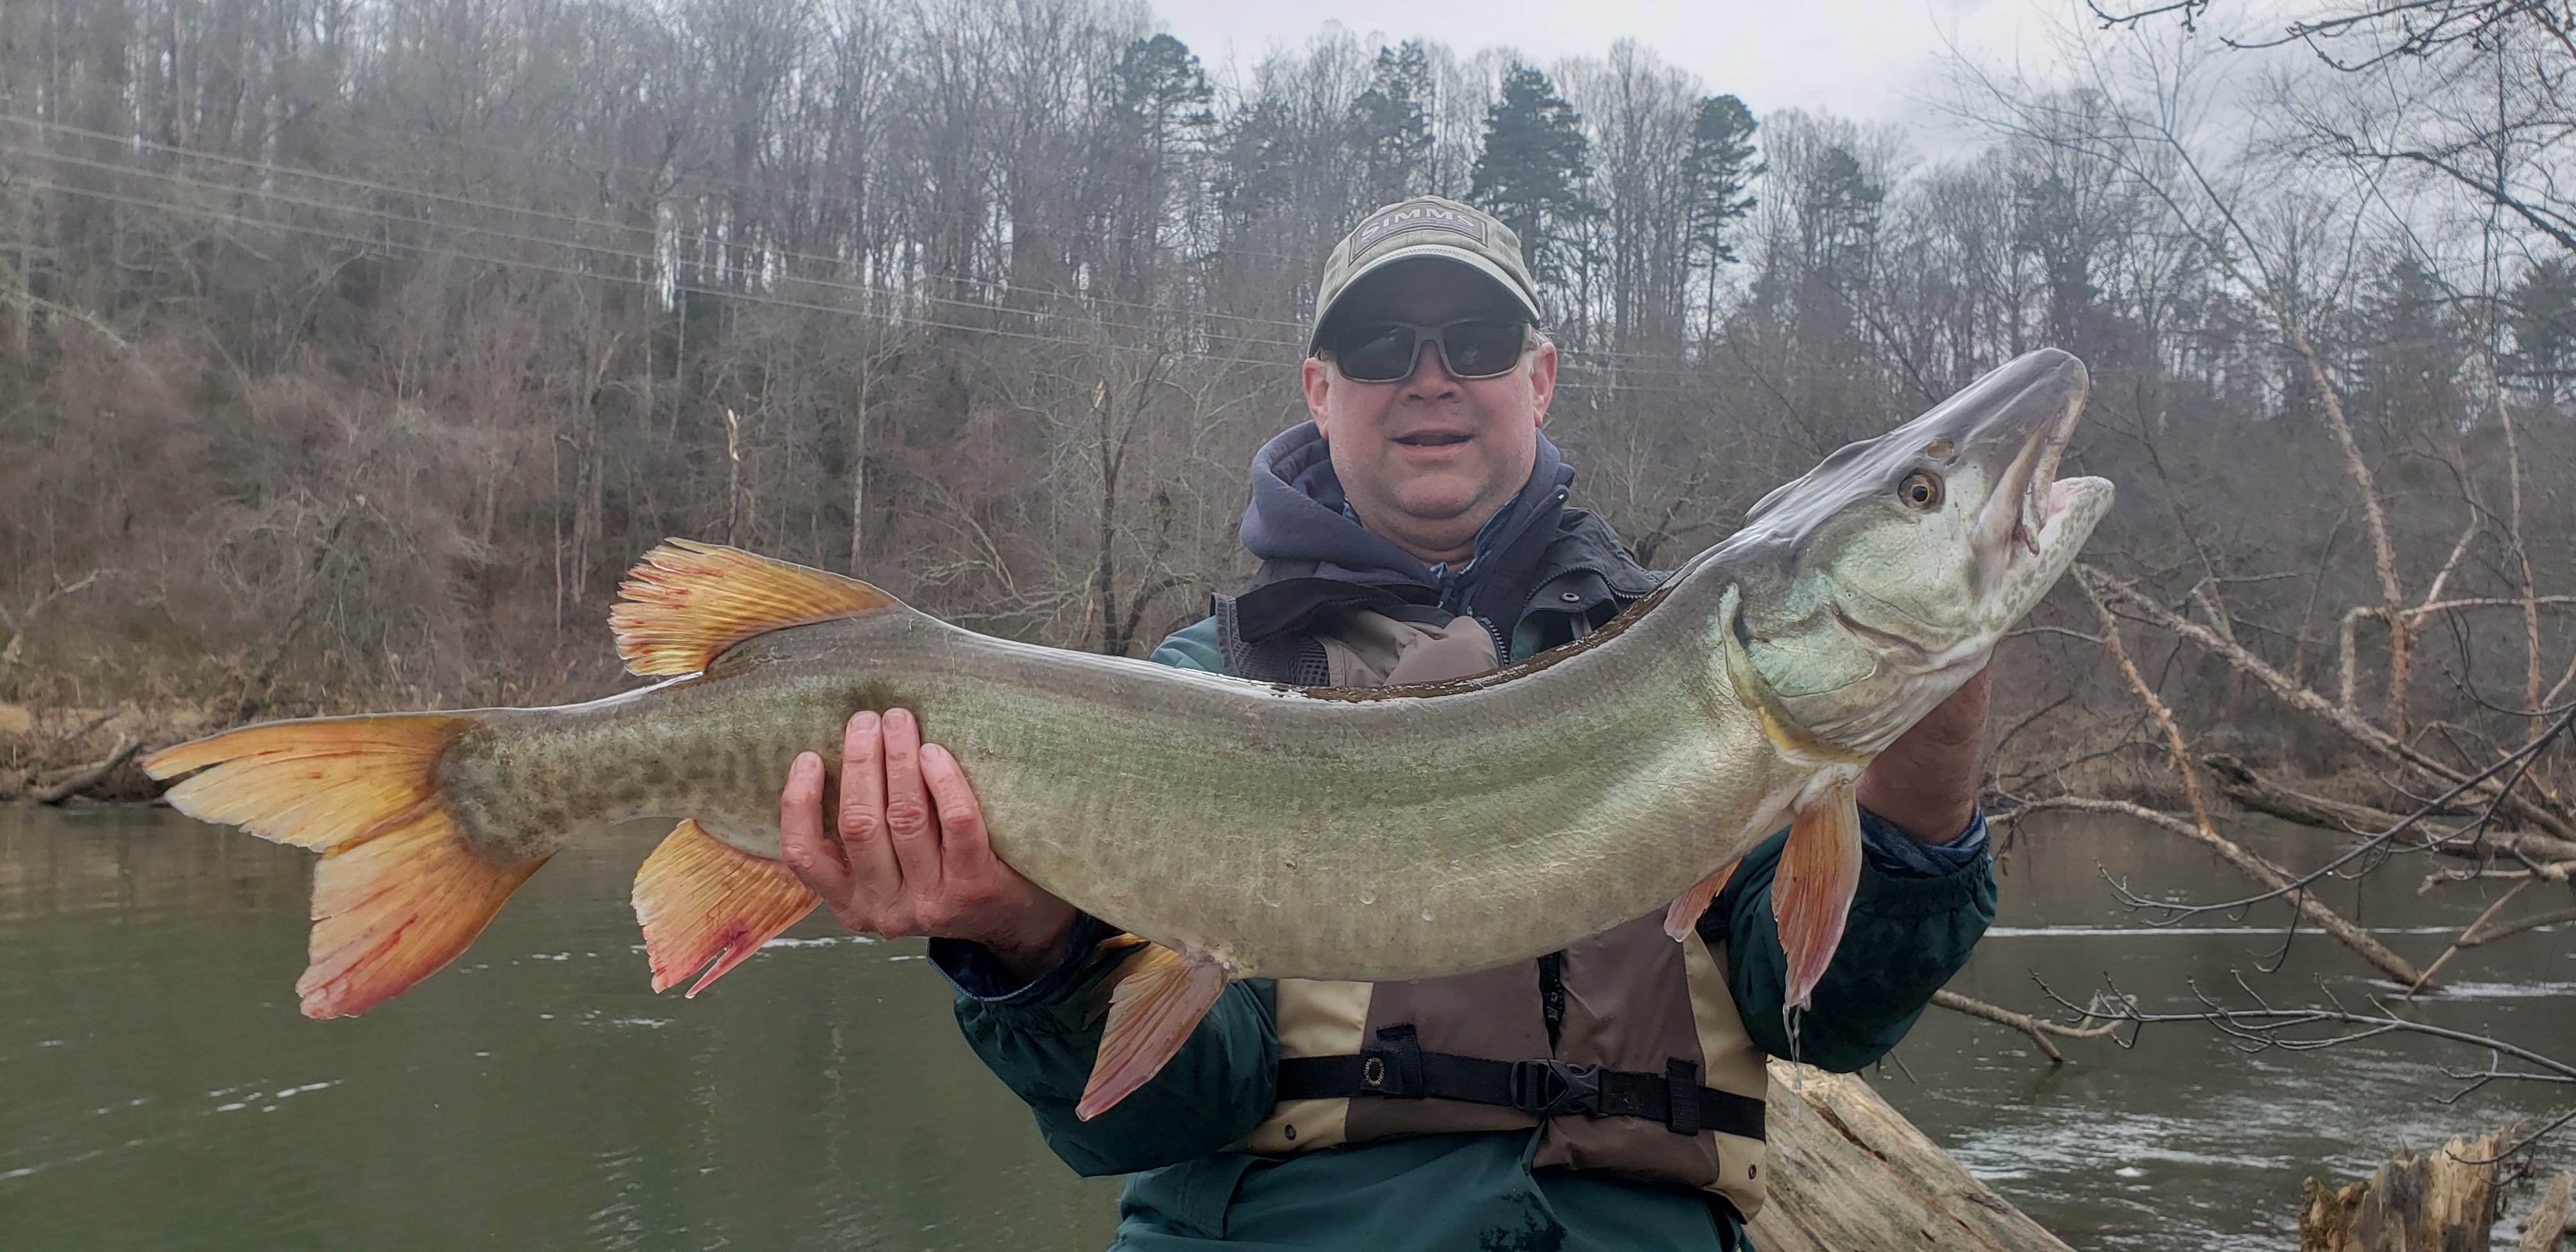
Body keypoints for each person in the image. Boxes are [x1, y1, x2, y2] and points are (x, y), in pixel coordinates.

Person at [774, 195, 1996, 1250]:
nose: (1430, 375)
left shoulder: (1698, 673)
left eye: (1476, 338)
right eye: (1376, 343)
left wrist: (1928, 760)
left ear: (1541, 376)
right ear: (1320, 389)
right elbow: (1163, 1111)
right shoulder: (1207, 679)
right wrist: (1024, 944)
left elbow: (1828, 1015)